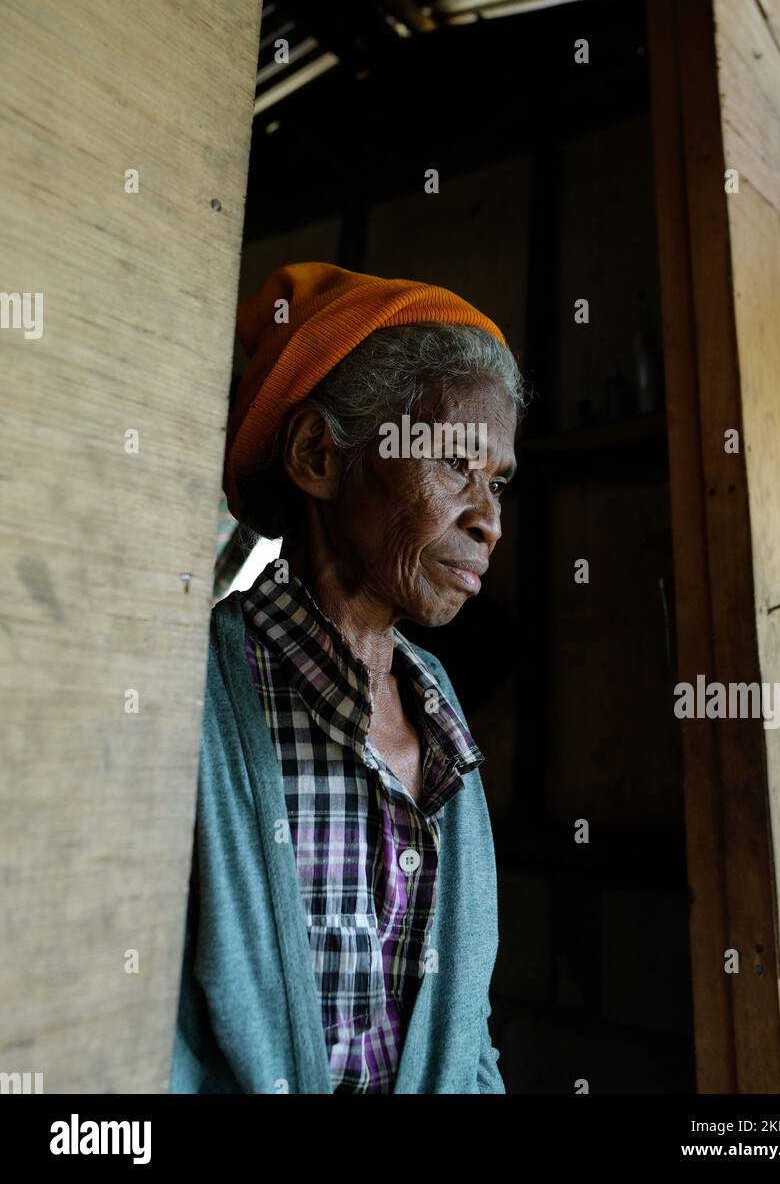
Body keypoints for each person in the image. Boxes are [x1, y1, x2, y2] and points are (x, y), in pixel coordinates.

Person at [170, 261, 526, 1094]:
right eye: (456, 465)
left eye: (499, 482)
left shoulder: (438, 716)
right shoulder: (193, 697)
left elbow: (467, 1038)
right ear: (320, 456)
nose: (491, 520)